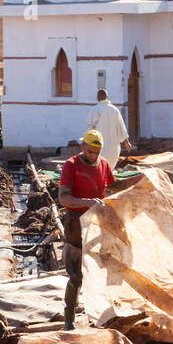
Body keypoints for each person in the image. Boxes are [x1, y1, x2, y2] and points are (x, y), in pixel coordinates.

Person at [57, 129, 115, 330]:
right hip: (76, 222)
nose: (93, 156)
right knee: (76, 274)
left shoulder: (104, 165)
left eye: (96, 152)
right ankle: (69, 318)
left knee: (102, 268)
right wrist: (87, 202)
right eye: (90, 152)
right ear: (83, 147)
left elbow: (115, 186)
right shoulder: (71, 165)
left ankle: (102, 314)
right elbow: (64, 198)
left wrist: (142, 181)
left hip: (98, 223)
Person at [86, 89, 133, 166]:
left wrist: (87, 143)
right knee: (109, 167)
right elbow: (122, 127)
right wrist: (127, 142)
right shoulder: (115, 110)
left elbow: (90, 127)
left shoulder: (95, 109)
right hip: (113, 148)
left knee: (99, 167)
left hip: (99, 147)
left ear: (98, 97)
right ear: (107, 97)